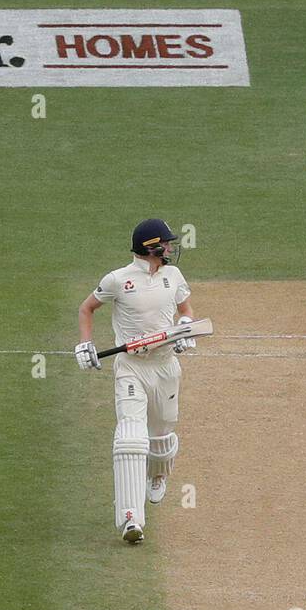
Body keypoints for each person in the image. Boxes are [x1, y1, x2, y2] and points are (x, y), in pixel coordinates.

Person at [75, 218, 198, 544]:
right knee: (130, 436)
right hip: (131, 367)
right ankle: (131, 518)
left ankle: (158, 475)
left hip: (165, 365)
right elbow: (87, 309)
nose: (171, 248)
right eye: (167, 243)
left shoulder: (173, 276)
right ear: (152, 247)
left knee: (161, 435)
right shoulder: (118, 280)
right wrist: (85, 344)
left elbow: (186, 310)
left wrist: (185, 329)